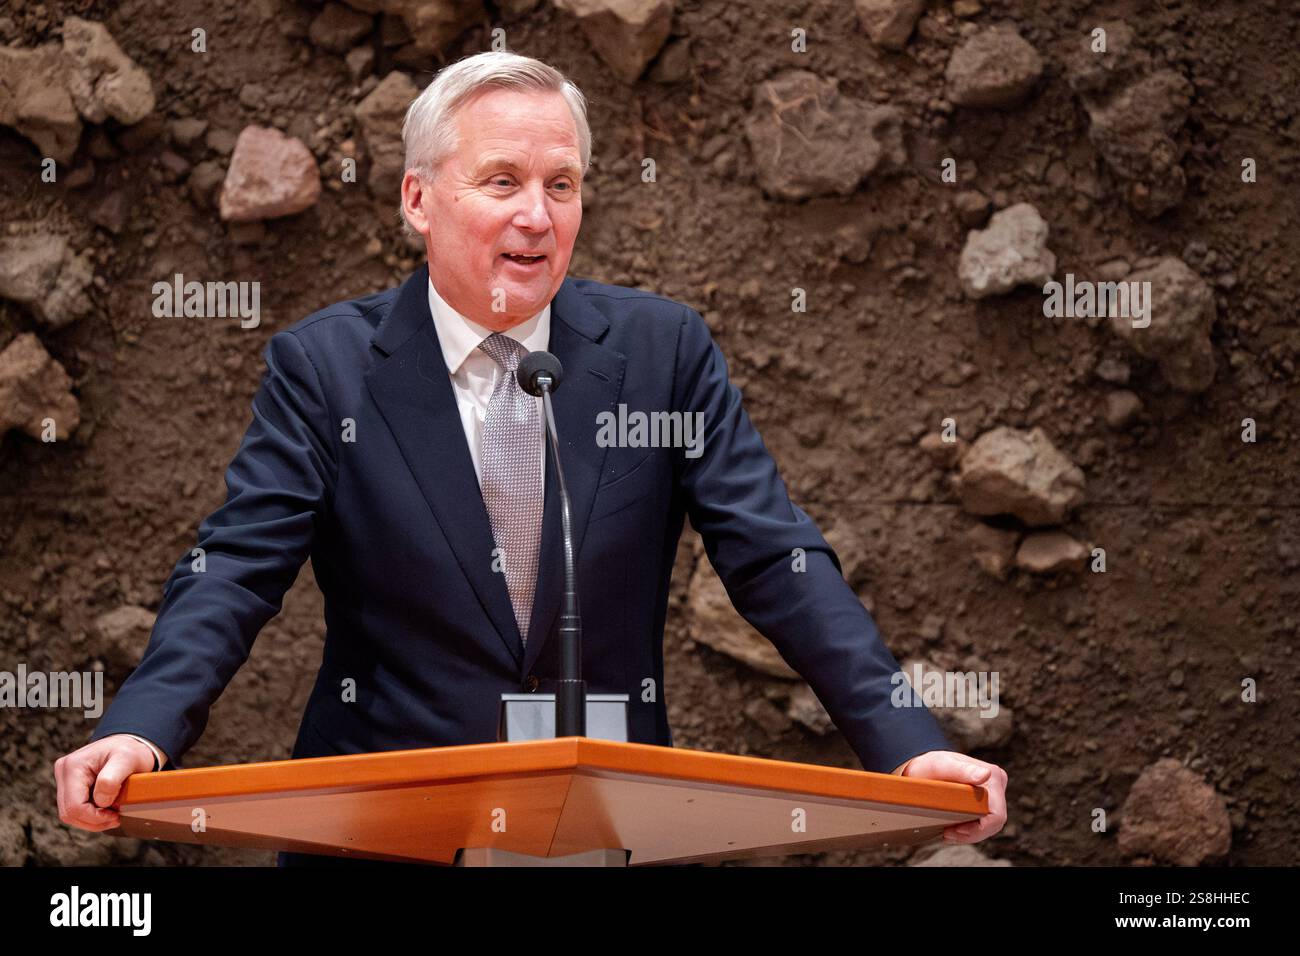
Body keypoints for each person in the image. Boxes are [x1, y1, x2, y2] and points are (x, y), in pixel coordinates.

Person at [54, 51, 1007, 864]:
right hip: (390, 838)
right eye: (503, 181)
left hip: (600, 829)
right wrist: (142, 728)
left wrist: (906, 746)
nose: (538, 217)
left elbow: (775, 558)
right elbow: (236, 571)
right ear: (420, 199)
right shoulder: (328, 370)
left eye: (562, 185)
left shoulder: (662, 353)